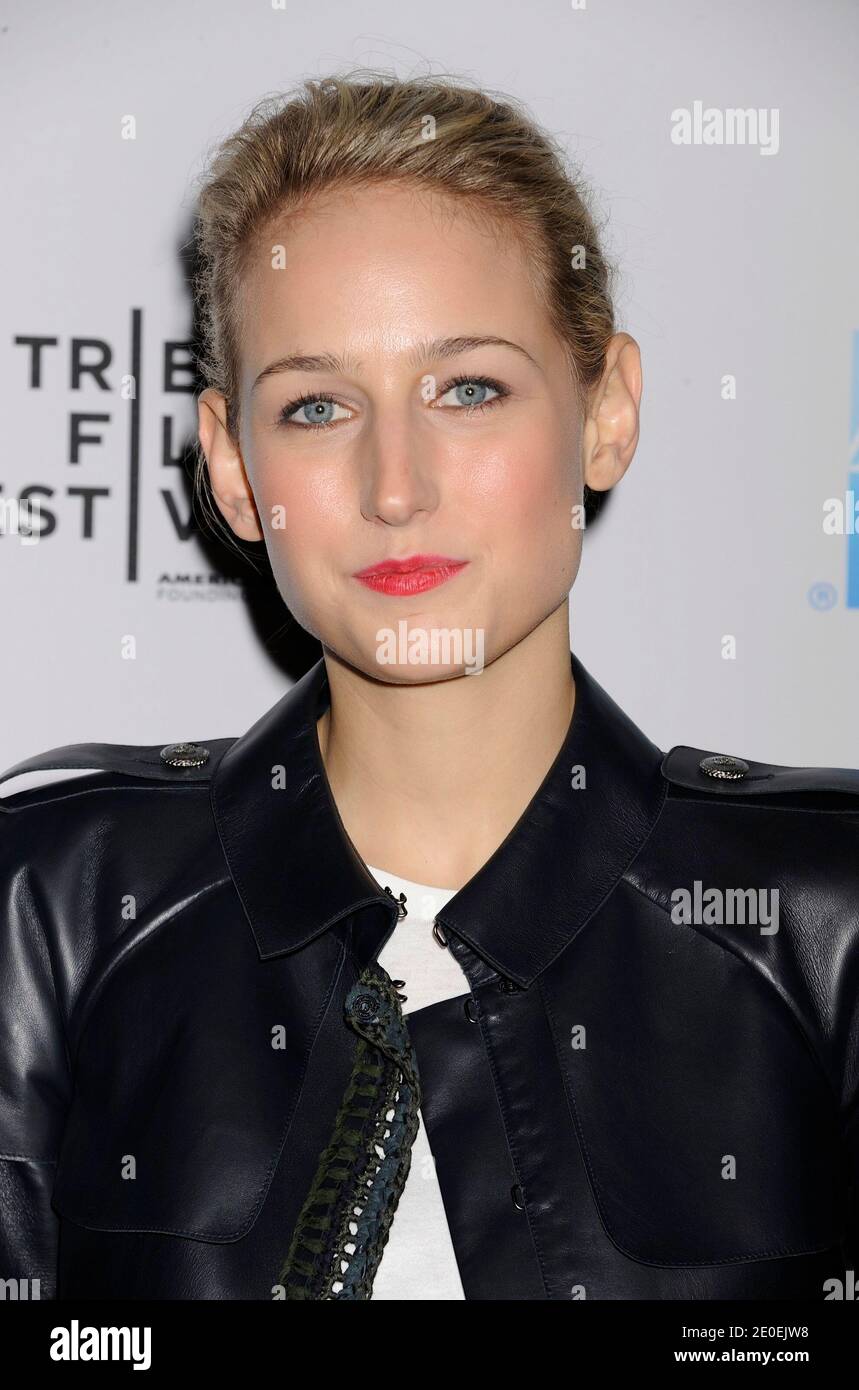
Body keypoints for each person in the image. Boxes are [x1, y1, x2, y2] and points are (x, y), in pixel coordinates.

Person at [1, 70, 858, 1302]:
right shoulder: (55, 902)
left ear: (605, 412)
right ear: (235, 469)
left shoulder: (823, 922)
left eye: (467, 388)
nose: (393, 485)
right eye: (315, 405)